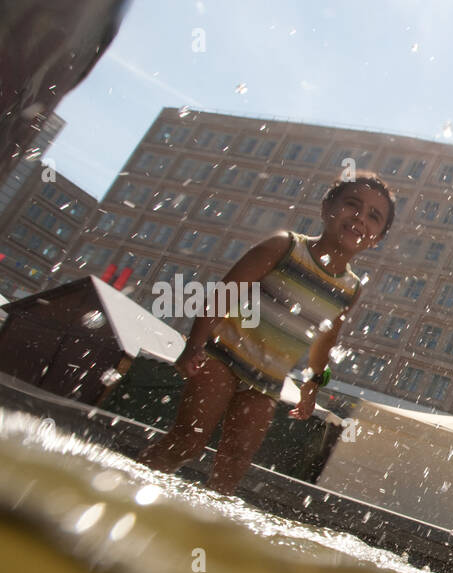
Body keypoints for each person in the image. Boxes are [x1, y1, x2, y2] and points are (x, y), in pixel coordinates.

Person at [138, 173, 395, 493]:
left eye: (374, 216)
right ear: (327, 206)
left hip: (267, 383)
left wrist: (313, 385)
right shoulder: (286, 247)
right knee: (187, 442)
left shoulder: (351, 288)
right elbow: (225, 293)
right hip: (223, 357)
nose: (360, 217)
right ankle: (126, 489)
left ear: (377, 238)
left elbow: (326, 339)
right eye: (352, 205)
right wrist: (194, 345)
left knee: (232, 469)